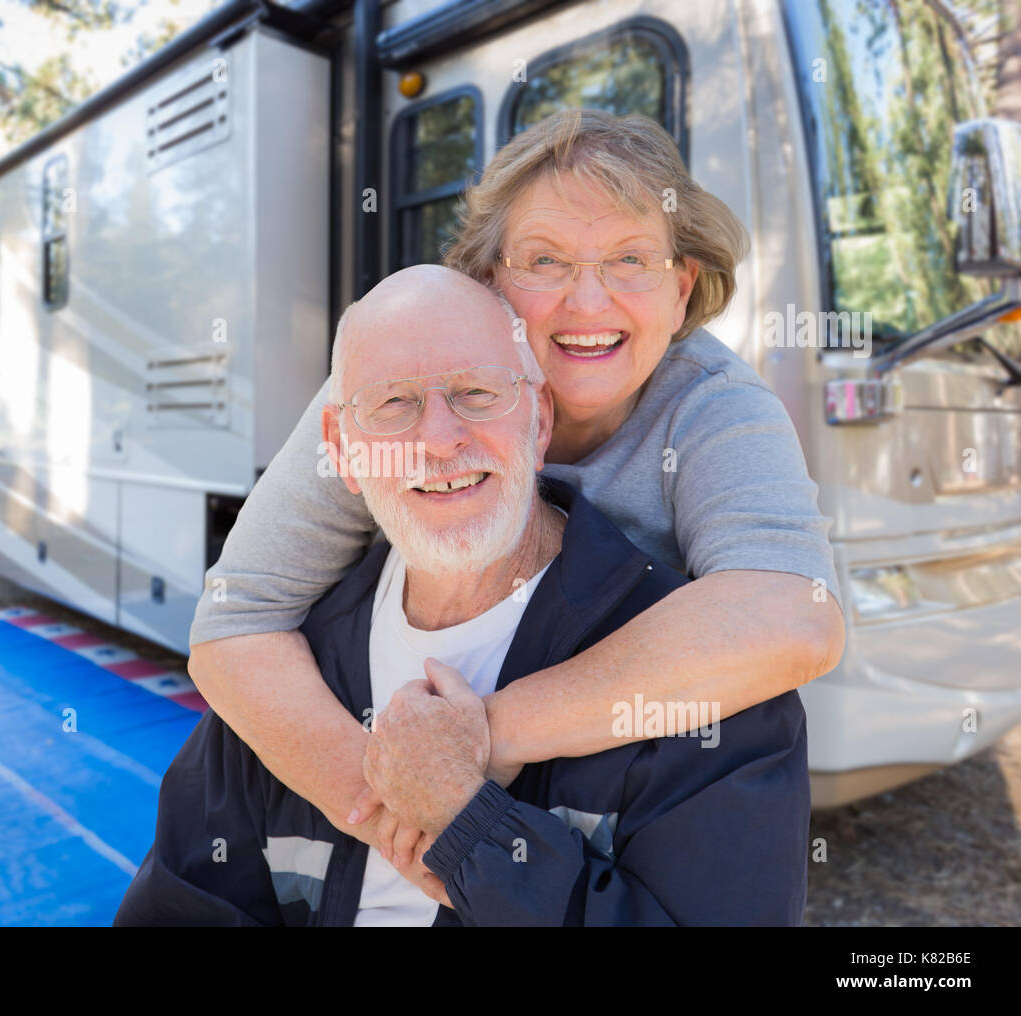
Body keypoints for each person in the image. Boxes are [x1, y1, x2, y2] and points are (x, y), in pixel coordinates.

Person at [188, 108, 843, 894]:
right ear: (489, 282)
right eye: (546, 260)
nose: (588, 303)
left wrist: (482, 734)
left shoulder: (713, 407)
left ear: (681, 290)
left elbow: (795, 616)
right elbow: (236, 617)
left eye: (630, 259)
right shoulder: (390, 393)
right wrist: (392, 810)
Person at [113, 268, 809, 926]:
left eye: (478, 393)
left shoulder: (705, 679)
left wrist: (468, 825)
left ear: (539, 422)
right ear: (343, 450)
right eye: (393, 405)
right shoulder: (287, 677)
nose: (438, 440)